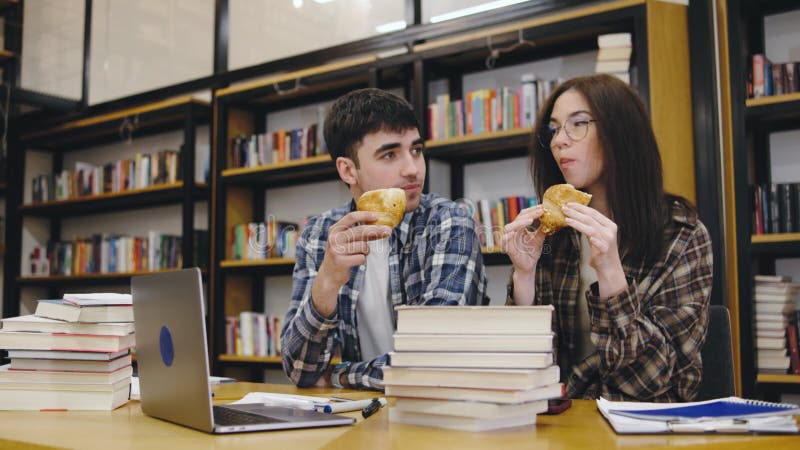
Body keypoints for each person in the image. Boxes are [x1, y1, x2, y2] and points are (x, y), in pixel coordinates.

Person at [501, 74, 713, 401]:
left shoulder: (682, 235)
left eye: (578, 123)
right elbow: (522, 370)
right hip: (564, 426)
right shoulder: (553, 232)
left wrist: (612, 277)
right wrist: (525, 278)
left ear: (620, 133)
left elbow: (656, 384)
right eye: (554, 129)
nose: (559, 141)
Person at [281, 88, 489, 391]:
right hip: (362, 418)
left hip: (443, 415)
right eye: (390, 154)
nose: (413, 169)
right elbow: (300, 372)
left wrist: (339, 376)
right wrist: (325, 286)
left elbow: (432, 357)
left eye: (416, 150)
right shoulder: (319, 234)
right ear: (348, 170)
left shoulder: (450, 223)